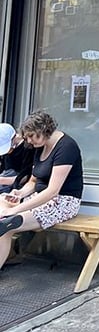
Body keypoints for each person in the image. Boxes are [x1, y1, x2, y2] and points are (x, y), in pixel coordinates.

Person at [0, 110, 83, 271]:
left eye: (32, 136)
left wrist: (17, 209)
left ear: (44, 130)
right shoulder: (40, 145)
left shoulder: (66, 147)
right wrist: (20, 194)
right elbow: (34, 179)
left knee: (6, 225)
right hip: (38, 196)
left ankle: (11, 218)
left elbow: (53, 190)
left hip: (62, 201)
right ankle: (10, 216)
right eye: (27, 137)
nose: (29, 141)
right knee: (2, 201)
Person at [0, 124, 33, 194]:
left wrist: (2, 180)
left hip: (18, 184)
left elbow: (25, 178)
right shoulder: (6, 153)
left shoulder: (28, 148)